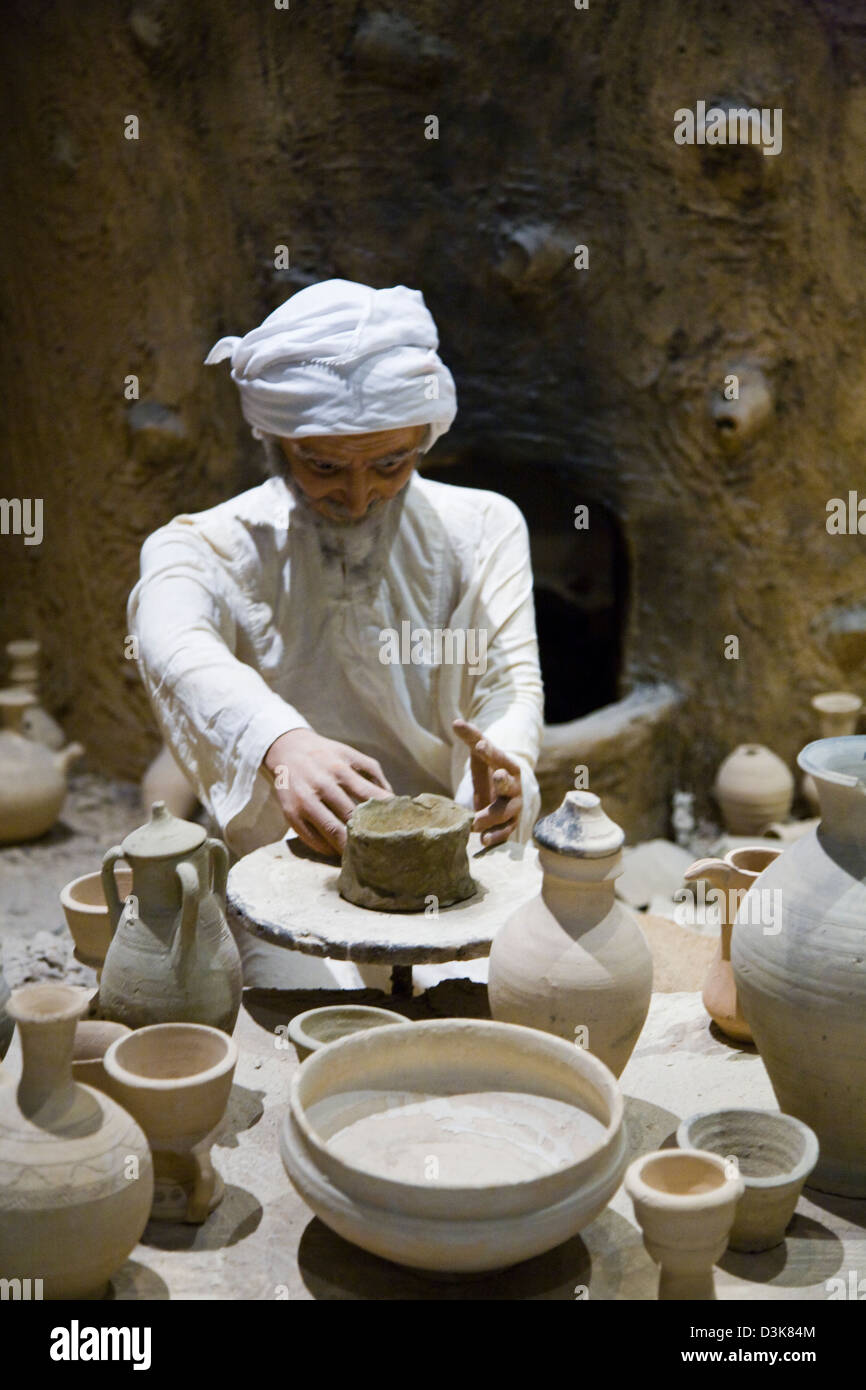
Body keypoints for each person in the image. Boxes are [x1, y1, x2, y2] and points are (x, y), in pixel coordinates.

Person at [129, 279, 544, 989]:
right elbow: (170, 637)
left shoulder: (483, 527)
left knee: (515, 986)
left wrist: (510, 767)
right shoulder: (204, 548)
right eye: (323, 466)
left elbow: (510, 681)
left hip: (455, 850)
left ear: (424, 436)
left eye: (390, 463)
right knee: (312, 1007)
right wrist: (277, 742)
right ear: (278, 441)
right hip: (290, 860)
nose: (358, 496)